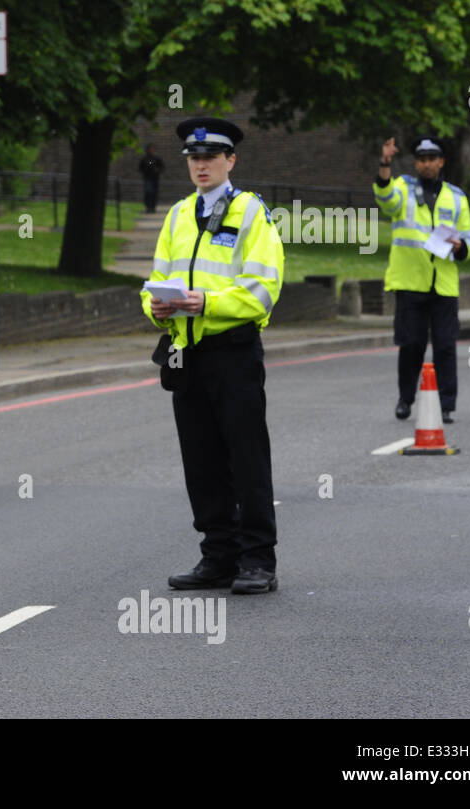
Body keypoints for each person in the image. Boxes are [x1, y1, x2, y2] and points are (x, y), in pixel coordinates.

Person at [140, 117, 284, 595]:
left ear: (230, 161)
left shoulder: (252, 213)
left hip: (234, 352)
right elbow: (155, 278)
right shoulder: (179, 215)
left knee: (245, 456)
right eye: (193, 158)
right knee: (200, 460)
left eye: (210, 158)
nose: (201, 165)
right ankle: (218, 556)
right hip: (186, 353)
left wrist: (208, 302)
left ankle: (258, 559)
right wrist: (156, 307)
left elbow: (263, 291)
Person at [375, 136, 470, 424]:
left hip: (443, 284)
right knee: (411, 344)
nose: (427, 164)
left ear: (441, 162)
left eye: (432, 159)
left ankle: (445, 405)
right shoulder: (403, 189)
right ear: (416, 163)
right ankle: (406, 399)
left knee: (445, 345)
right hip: (410, 282)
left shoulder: (456, 197)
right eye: (422, 159)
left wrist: (461, 247)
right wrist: (385, 163)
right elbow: (384, 197)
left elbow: (468, 239)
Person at [138, 145, 164, 213]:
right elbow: (141, 168)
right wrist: (146, 170)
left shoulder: (157, 158)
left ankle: (152, 207)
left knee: (154, 193)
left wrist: (156, 170)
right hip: (147, 178)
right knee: (148, 192)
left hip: (155, 178)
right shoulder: (145, 158)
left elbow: (161, 167)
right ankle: (148, 207)